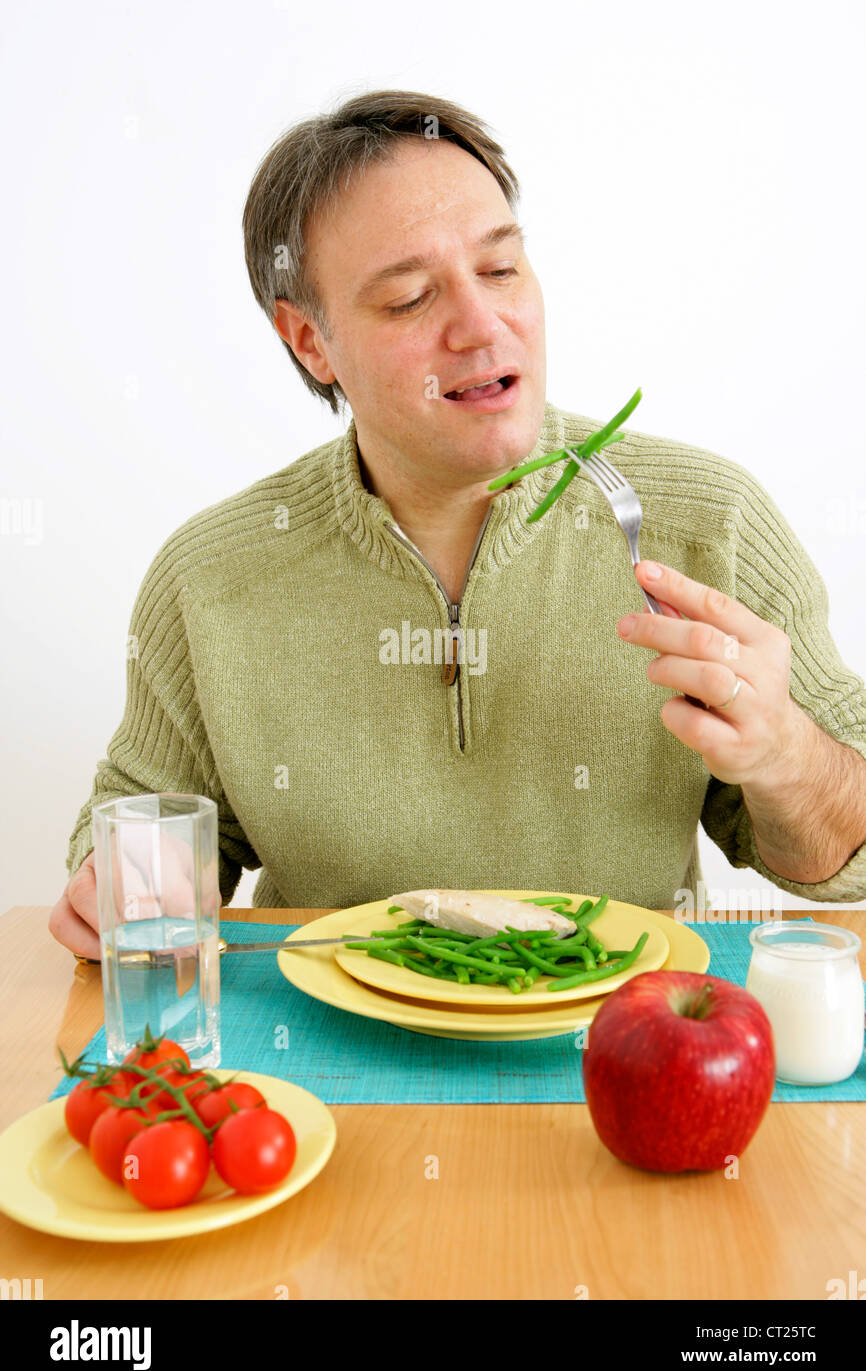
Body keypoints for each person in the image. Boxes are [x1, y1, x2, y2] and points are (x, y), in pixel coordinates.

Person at [50, 89, 866, 960]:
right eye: (408, 298)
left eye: (502, 269)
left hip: (622, 1043)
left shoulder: (712, 520)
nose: (483, 326)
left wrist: (787, 756)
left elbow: (842, 857)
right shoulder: (209, 576)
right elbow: (143, 838)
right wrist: (127, 885)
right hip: (325, 1045)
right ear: (310, 343)